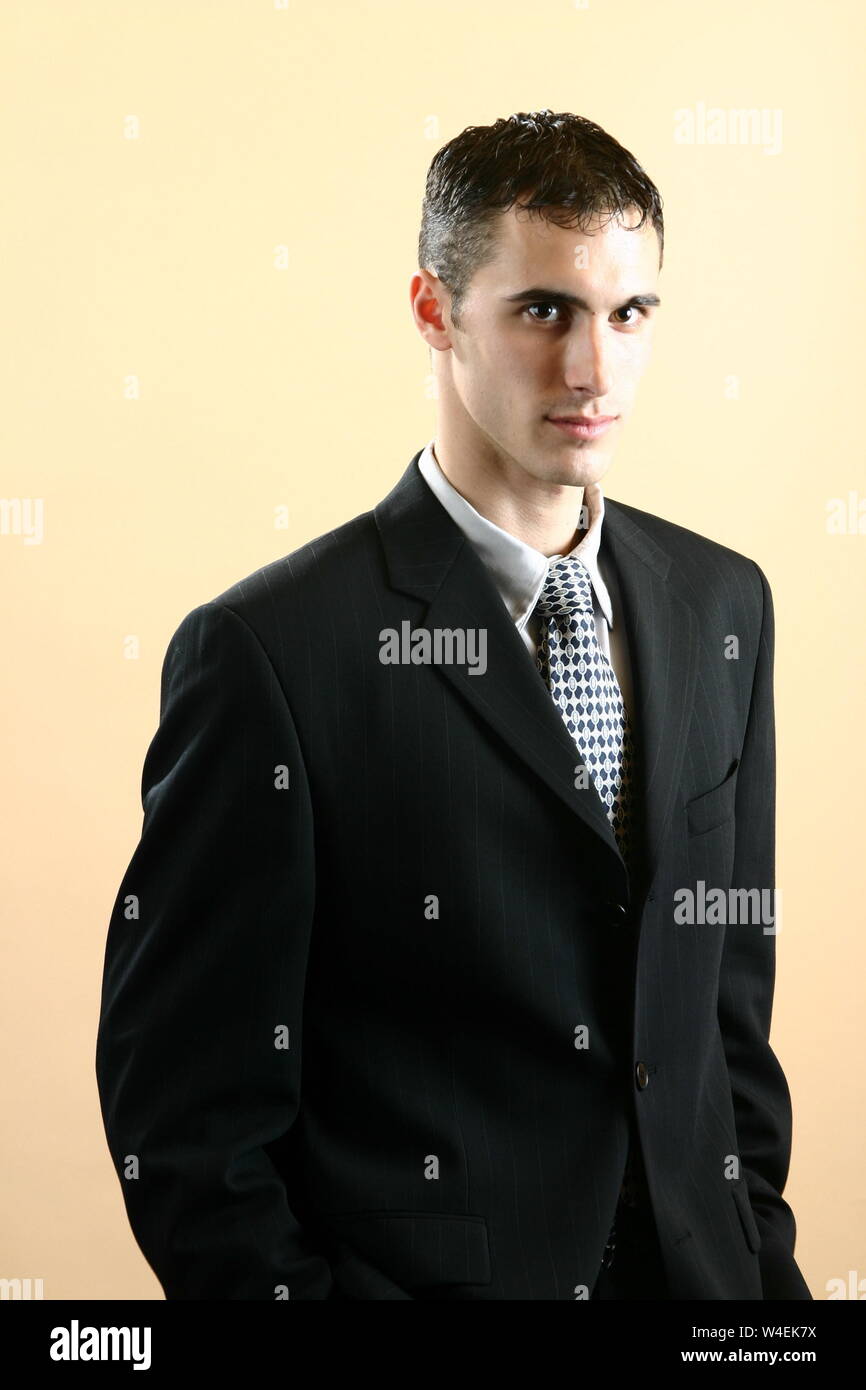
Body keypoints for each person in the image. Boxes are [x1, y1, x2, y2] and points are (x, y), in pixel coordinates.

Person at [95, 109, 811, 1300]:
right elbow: (184, 1125)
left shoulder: (721, 603)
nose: (593, 369)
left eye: (628, 314)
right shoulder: (269, 653)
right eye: (544, 312)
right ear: (433, 310)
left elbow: (726, 1031)